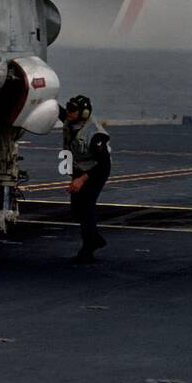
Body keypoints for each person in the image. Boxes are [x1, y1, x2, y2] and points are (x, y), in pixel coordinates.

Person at [61, 95, 111, 264]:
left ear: (84, 113)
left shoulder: (95, 135)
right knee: (76, 209)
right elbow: (53, 110)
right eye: (68, 107)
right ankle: (95, 239)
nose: (68, 111)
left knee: (87, 205)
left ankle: (88, 249)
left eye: (73, 109)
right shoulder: (69, 121)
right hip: (79, 168)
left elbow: (103, 164)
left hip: (96, 171)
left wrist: (82, 180)